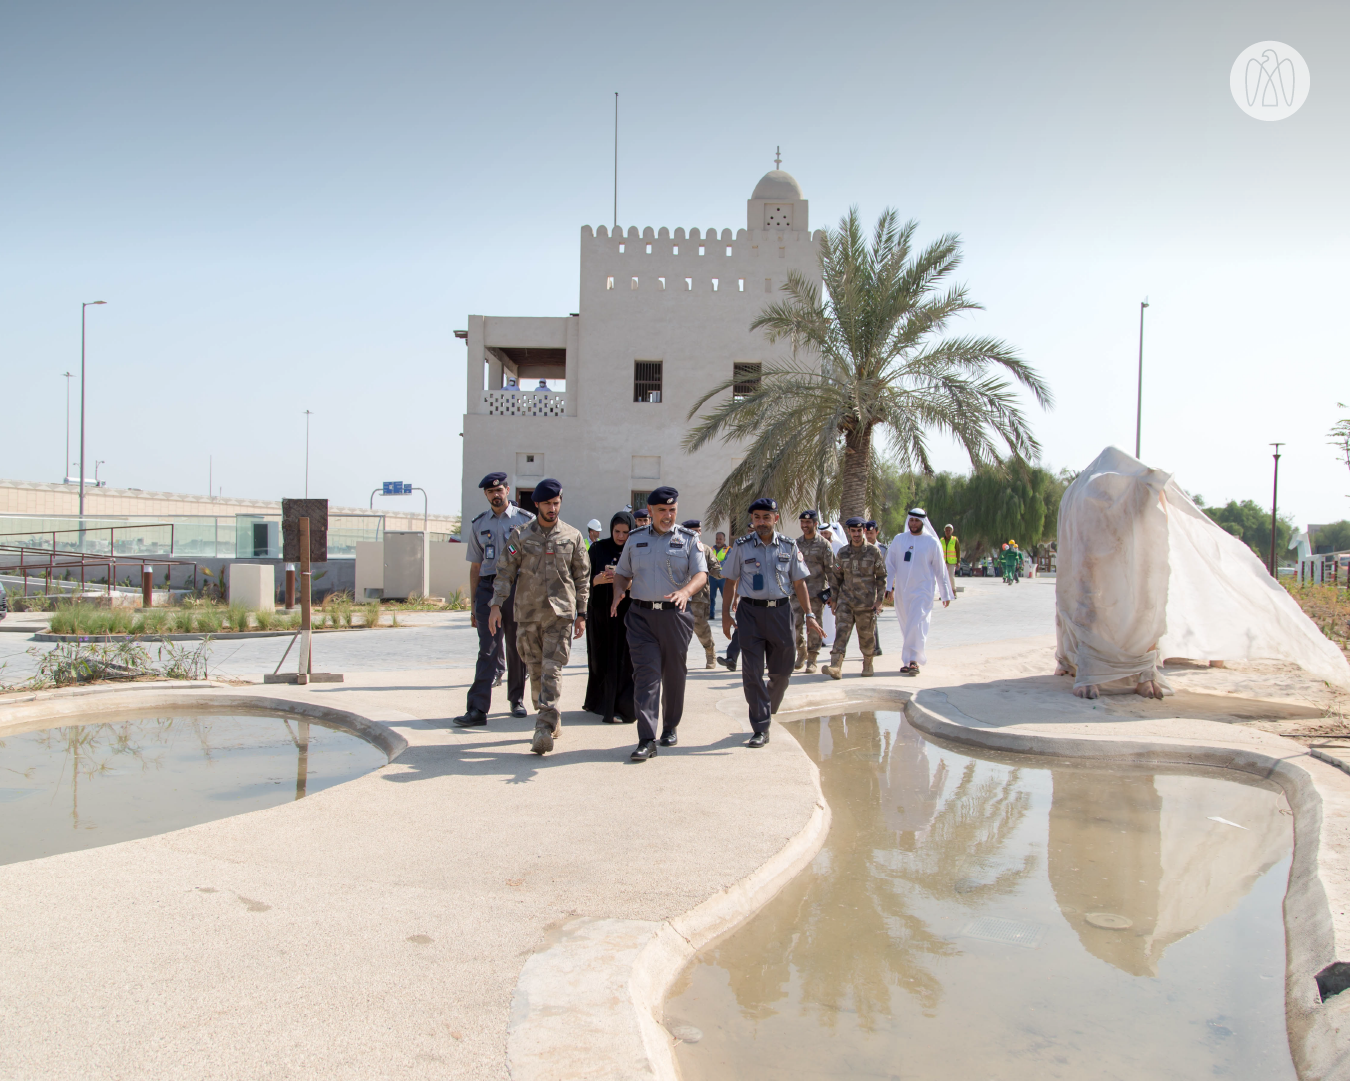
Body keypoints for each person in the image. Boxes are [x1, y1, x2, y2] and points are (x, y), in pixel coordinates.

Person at [486, 478, 590, 755]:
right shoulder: (520, 535)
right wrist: (496, 605)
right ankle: (550, 716)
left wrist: (582, 613)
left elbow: (582, 577)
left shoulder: (573, 536)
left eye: (556, 503)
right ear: (537, 505)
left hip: (560, 614)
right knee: (535, 669)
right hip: (528, 613)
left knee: (552, 668)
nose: (552, 508)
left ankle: (543, 727)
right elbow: (505, 572)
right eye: (547, 504)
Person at [612, 487, 708, 761]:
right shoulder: (635, 539)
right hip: (640, 616)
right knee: (646, 675)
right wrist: (619, 590)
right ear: (650, 511)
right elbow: (622, 573)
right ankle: (646, 738)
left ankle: (671, 725)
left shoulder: (689, 540)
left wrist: (686, 592)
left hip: (674, 616)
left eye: (672, 510)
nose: (668, 515)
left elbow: (701, 574)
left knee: (674, 674)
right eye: (662, 510)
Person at [721, 497, 821, 748]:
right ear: (752, 520)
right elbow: (730, 582)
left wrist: (809, 614)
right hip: (750, 614)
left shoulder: (789, 546)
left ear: (775, 519)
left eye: (767, 517)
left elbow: (799, 583)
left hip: (780, 613)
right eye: (757, 518)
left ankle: (767, 705)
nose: (762, 522)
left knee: (783, 673)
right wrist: (725, 615)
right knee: (752, 673)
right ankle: (761, 726)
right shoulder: (741, 546)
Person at [454, 472, 534, 728]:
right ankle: (477, 708)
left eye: (499, 490)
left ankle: (516, 699)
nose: (495, 495)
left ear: (507, 490)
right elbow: (475, 567)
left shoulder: (526, 520)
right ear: (486, 495)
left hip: (517, 589)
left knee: (516, 646)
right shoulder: (479, 524)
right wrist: (473, 607)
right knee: (487, 648)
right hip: (488, 590)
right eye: (490, 492)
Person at [884, 508, 954, 676]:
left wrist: (945, 593)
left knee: (917, 624)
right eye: (911, 520)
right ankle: (908, 661)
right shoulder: (899, 540)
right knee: (907, 625)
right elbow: (890, 564)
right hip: (902, 592)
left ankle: (914, 660)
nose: (913, 524)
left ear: (923, 522)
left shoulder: (931, 542)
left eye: (917, 521)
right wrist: (889, 587)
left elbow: (940, 569)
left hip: (923, 591)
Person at [584, 511, 637, 724]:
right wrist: (597, 580)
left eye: (626, 532)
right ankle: (600, 703)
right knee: (600, 658)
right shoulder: (598, 548)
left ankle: (622, 706)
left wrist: (626, 583)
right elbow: (583, 580)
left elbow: (644, 580)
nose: (621, 536)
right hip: (601, 614)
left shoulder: (636, 549)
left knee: (625, 661)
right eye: (617, 531)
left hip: (627, 614)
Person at [823, 517, 888, 678]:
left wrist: (879, 601)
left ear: (864, 531)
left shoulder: (873, 552)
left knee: (866, 636)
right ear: (849, 532)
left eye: (859, 530)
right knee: (840, 634)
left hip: (866, 603)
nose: (857, 534)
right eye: (853, 531)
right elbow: (836, 576)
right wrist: (835, 599)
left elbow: (881, 576)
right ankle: (835, 666)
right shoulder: (842, 552)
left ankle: (867, 663)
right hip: (846, 602)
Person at [792, 510, 834, 673]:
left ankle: (812, 658)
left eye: (808, 522)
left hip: (816, 594)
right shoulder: (795, 544)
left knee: (815, 627)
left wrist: (833, 594)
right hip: (796, 594)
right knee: (794, 625)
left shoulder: (824, 545)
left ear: (815, 524)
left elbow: (831, 570)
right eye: (802, 522)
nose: (804, 525)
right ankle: (801, 652)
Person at [682, 518, 723, 670]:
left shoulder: (705, 549)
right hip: (681, 595)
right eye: (694, 531)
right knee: (680, 628)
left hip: (699, 597)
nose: (698, 533)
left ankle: (710, 652)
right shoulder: (677, 548)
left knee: (701, 627)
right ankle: (679, 659)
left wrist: (723, 573)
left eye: (699, 531)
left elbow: (714, 568)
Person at [863, 520, 887, 655]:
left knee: (873, 617)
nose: (869, 536)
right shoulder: (861, 548)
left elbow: (886, 571)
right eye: (867, 533)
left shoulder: (883, 549)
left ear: (877, 532)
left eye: (871, 533)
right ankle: (874, 647)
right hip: (865, 587)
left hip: (877, 586)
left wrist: (886, 591)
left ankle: (875, 647)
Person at [709, 531, 729, 618]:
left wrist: (715, 564)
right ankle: (710, 614)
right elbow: (707, 560)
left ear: (724, 540)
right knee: (711, 597)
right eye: (717, 539)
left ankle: (726, 615)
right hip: (712, 576)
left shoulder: (728, 549)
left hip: (723, 577)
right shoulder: (711, 549)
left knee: (725, 597)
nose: (718, 540)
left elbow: (726, 562)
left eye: (720, 539)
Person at [940, 524, 961, 595]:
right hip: (943, 562)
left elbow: (958, 551)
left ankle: (953, 591)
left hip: (952, 562)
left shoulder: (954, 540)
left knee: (951, 577)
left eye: (949, 530)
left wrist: (958, 561)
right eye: (946, 530)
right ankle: (944, 593)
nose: (948, 532)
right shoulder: (941, 540)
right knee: (944, 577)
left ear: (952, 531)